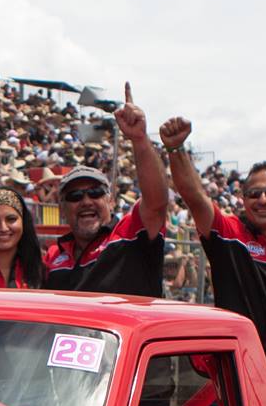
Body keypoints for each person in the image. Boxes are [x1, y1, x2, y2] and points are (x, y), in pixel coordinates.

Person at [164, 117, 266, 406]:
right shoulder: (229, 235)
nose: (263, 200)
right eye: (254, 194)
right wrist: (176, 148)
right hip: (233, 391)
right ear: (242, 199)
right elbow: (194, 196)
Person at [41, 85, 170, 295]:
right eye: (74, 196)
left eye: (95, 193)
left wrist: (139, 140)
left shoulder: (130, 235)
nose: (85, 201)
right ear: (62, 209)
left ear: (110, 202)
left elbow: (156, 204)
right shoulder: (53, 256)